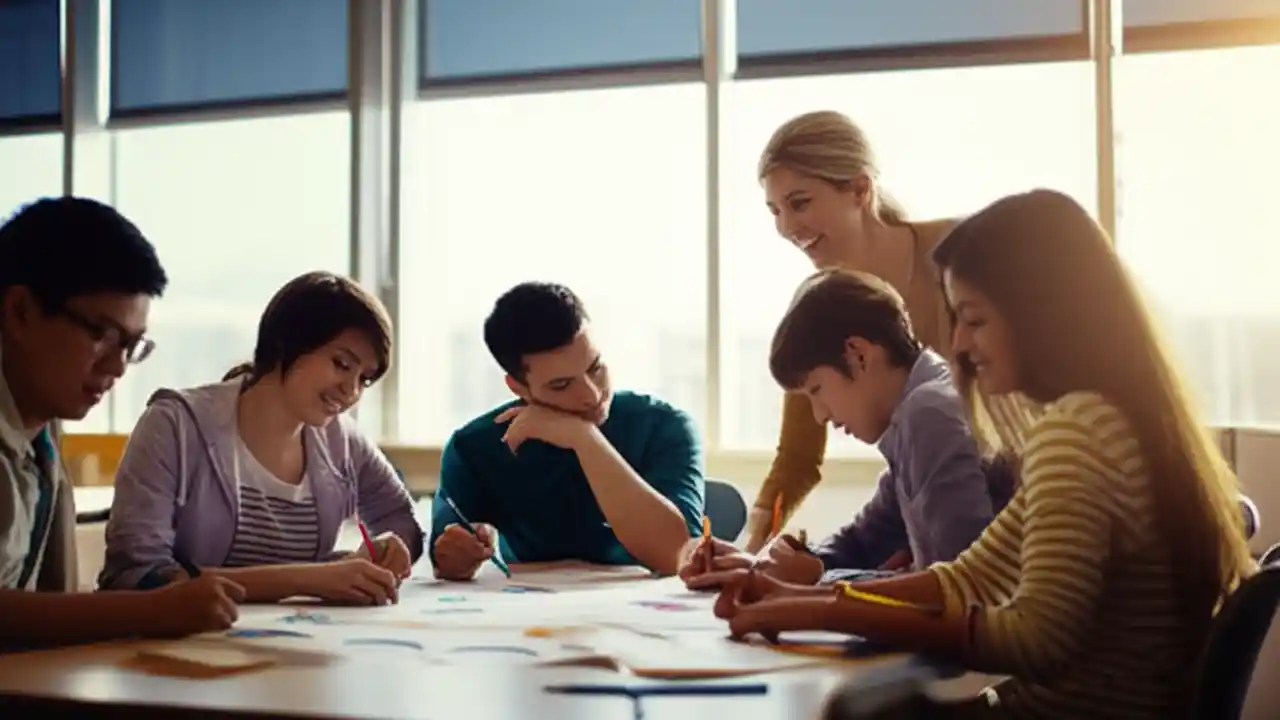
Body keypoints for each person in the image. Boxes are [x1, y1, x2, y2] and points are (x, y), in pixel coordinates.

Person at [707, 189, 1255, 718]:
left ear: (1039, 314)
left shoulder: (1077, 432)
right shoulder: (1106, 419)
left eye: (974, 319)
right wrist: (808, 601)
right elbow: (967, 577)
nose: (961, 346)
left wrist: (828, 609)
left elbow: (1033, 639)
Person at [745, 110, 1034, 553]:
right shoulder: (822, 308)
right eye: (775, 211)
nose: (785, 227)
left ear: (860, 189)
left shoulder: (961, 254)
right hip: (952, 531)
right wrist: (746, 552)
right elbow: (797, 461)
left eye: (799, 203)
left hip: (1030, 508)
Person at [0, 197, 244, 648]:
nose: (116, 367)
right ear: (19, 312)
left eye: (131, 345)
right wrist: (153, 610)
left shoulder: (41, 428)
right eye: (102, 335)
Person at [100, 271, 425, 605]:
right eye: (342, 364)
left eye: (365, 379)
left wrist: (387, 548)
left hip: (299, 646)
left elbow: (401, 518)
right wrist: (307, 579)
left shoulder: (342, 441)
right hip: (180, 649)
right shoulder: (175, 426)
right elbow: (137, 576)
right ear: (286, 343)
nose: (351, 390)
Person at [679, 268, 995, 587]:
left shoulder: (930, 414)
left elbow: (958, 587)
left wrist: (818, 579)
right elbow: (862, 543)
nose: (820, 417)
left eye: (816, 390)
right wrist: (759, 568)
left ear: (858, 355)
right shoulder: (914, 413)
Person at [430, 282, 704, 580]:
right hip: (527, 613)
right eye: (561, 385)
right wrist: (458, 555)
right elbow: (445, 557)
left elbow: (677, 556)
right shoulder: (473, 448)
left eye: (595, 367)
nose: (591, 395)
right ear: (518, 388)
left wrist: (583, 439)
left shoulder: (663, 426)